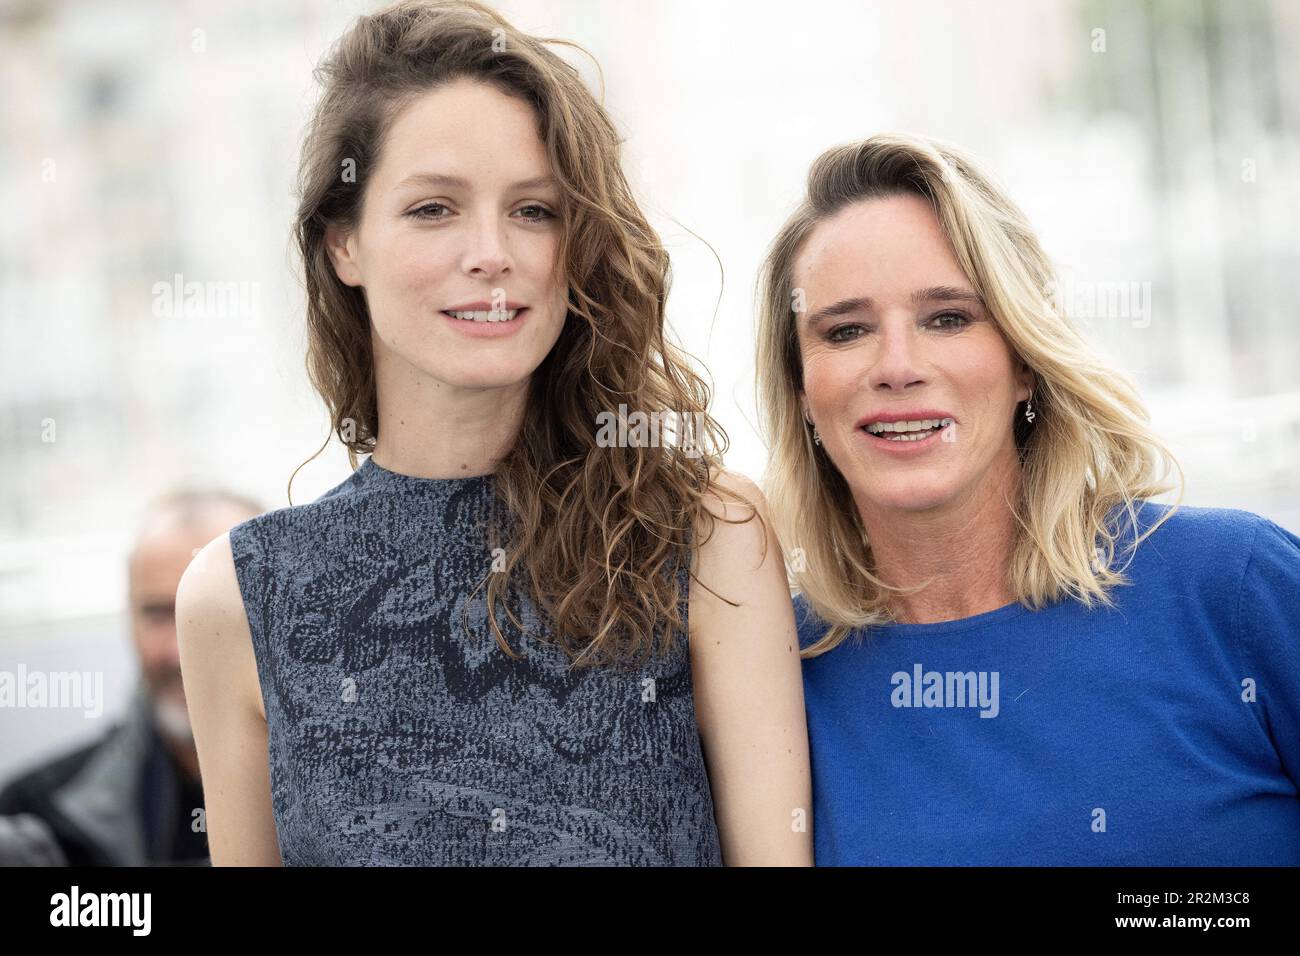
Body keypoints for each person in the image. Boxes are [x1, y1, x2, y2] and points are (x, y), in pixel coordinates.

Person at [177, 0, 810, 866]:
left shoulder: (707, 532)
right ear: (344, 246)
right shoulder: (239, 595)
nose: (491, 253)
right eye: (434, 209)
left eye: (534, 210)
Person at [754, 131, 1300, 865]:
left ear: (1024, 363)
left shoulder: (1231, 586)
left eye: (948, 317)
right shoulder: (772, 682)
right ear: (802, 391)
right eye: (846, 330)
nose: (897, 366)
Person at [0, 489, 261, 865]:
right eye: (157, 613)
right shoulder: (38, 821)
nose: (179, 651)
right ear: (129, 620)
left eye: (215, 611)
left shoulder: (354, 807)